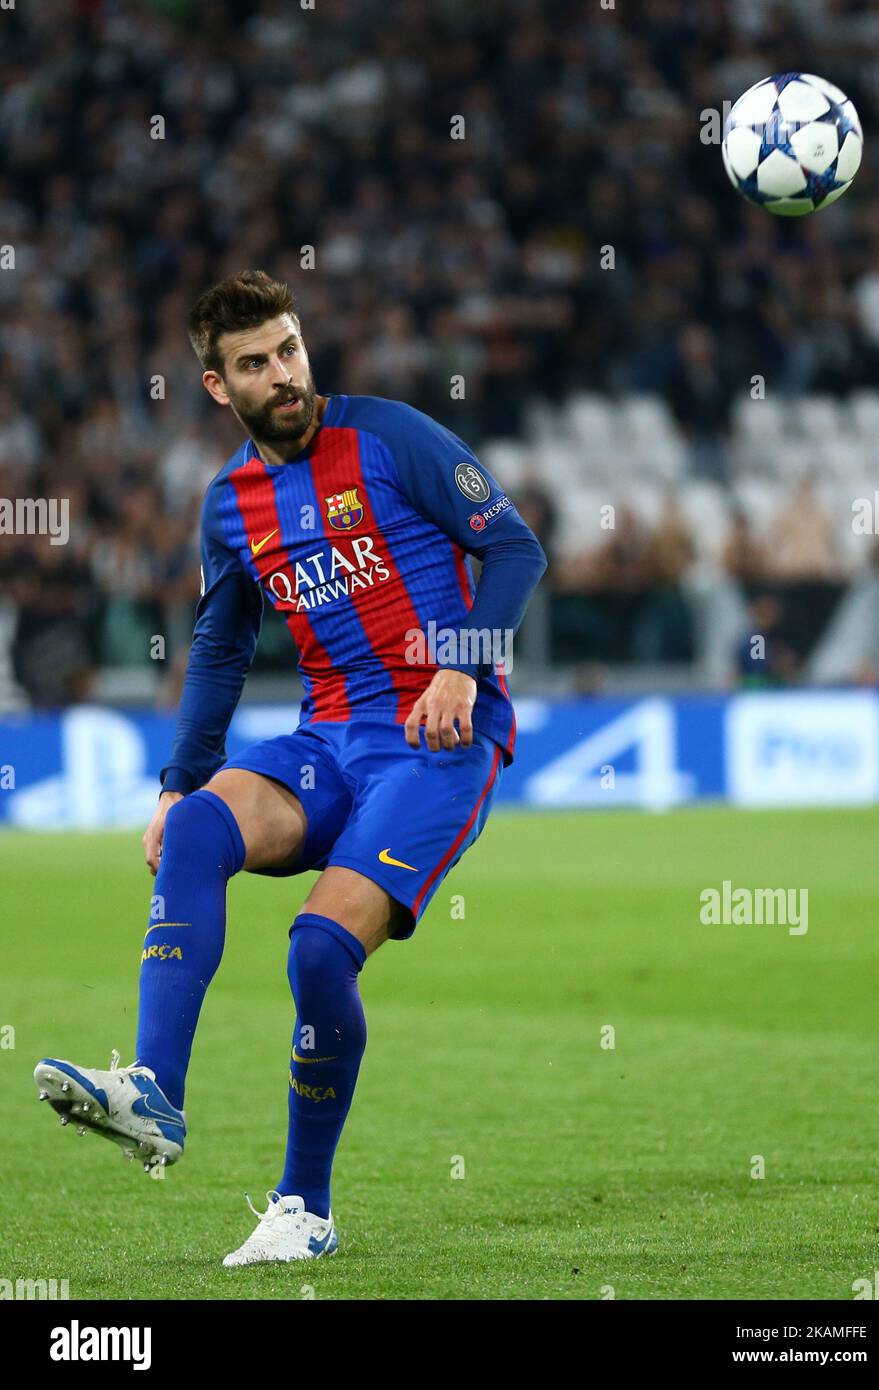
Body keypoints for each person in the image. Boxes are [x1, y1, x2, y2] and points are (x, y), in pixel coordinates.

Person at [34, 270, 547, 1267]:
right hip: (327, 741)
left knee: (316, 954)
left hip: (436, 741)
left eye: (290, 349)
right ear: (217, 385)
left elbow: (515, 550)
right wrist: (180, 781)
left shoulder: (392, 436)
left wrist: (459, 662)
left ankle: (301, 1207)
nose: (284, 374)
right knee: (193, 830)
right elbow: (221, 647)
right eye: (255, 363)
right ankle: (153, 1091)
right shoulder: (231, 502)